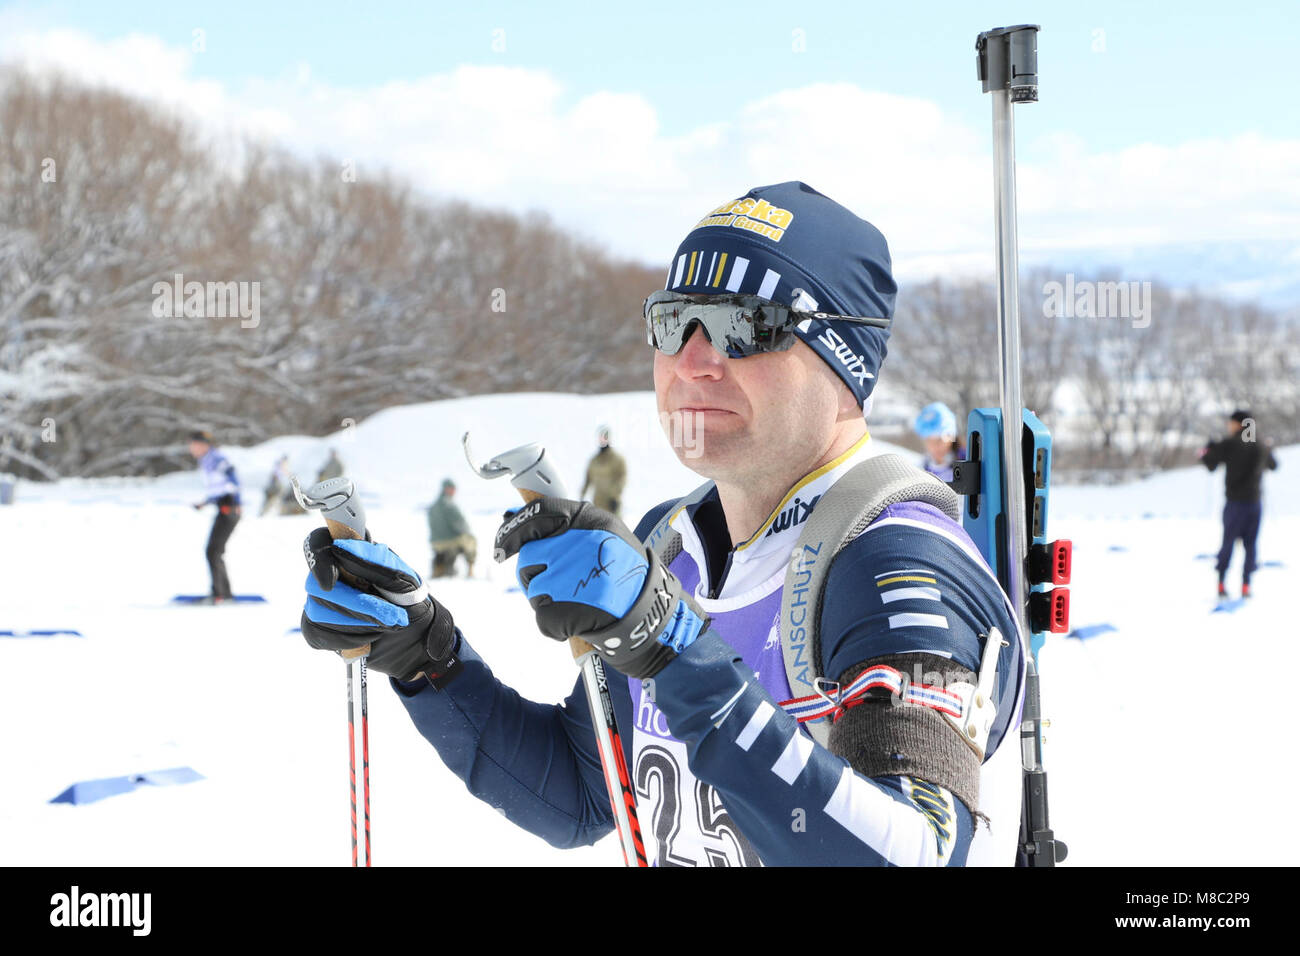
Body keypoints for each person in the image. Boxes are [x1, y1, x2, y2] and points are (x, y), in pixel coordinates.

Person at [298, 182, 1026, 867]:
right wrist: (427, 657)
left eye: (747, 327)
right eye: (674, 321)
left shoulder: (896, 560)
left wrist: (678, 654)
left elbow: (921, 852)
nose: (693, 360)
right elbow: (588, 792)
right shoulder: (671, 544)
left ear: (845, 361)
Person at [1200, 409, 1279, 599]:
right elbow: (1274, 465)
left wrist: (1208, 449)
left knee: (1228, 543)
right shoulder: (1259, 444)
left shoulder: (1229, 444)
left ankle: (1221, 583)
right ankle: (1246, 585)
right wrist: (1267, 447)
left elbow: (1209, 464)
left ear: (1238, 424)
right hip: (1254, 503)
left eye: (1231, 422)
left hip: (1235, 503)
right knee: (1250, 545)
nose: (1229, 426)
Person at [189, 430, 241, 603]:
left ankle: (219, 593)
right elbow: (218, 487)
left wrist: (234, 503)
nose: (191, 448)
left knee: (213, 551)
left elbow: (232, 480)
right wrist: (206, 502)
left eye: (193, 444)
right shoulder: (206, 460)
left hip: (229, 508)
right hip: (224, 507)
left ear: (203, 445)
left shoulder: (216, 459)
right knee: (215, 551)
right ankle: (223, 593)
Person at [426, 479, 477, 578]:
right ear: (447, 489)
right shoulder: (449, 505)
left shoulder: (433, 506)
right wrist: (467, 534)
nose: (454, 491)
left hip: (435, 543)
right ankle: (471, 570)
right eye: (452, 489)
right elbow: (461, 525)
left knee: (444, 553)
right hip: (448, 541)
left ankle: (439, 569)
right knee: (470, 541)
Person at [579, 425, 627, 517]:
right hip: (598, 504)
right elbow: (587, 480)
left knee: (615, 529)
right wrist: (581, 496)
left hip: (612, 504)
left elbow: (622, 479)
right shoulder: (594, 461)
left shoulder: (618, 460)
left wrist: (615, 496)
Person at [913, 402, 964, 483]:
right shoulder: (921, 470)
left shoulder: (968, 462)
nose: (935, 446)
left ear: (951, 436)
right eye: (929, 440)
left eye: (940, 439)